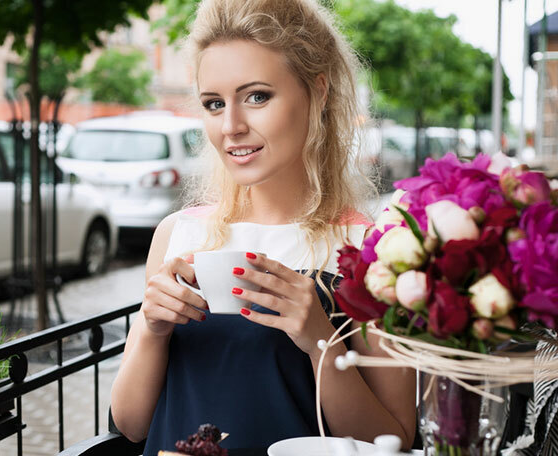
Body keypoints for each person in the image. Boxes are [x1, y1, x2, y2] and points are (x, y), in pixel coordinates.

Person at [110, 0, 417, 453]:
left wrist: (319, 342)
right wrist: (152, 332)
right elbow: (131, 426)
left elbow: (393, 440)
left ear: (319, 91)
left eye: (256, 96)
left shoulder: (373, 248)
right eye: (214, 103)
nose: (231, 126)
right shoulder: (176, 235)